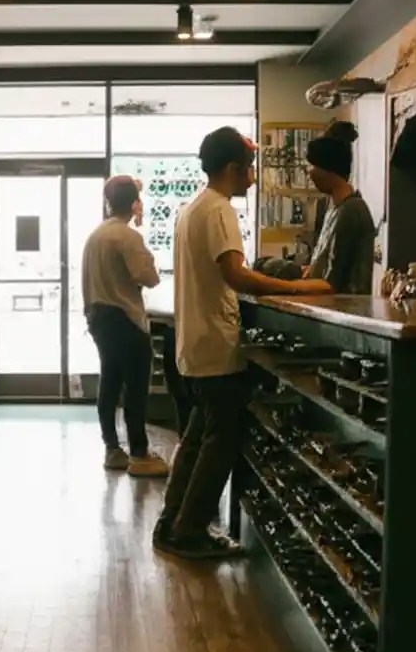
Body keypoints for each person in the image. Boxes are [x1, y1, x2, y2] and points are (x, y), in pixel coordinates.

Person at [155, 127, 332, 561]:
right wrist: (296, 288)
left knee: (197, 439)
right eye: (250, 169)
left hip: (194, 344)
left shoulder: (191, 209)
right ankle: (191, 532)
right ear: (233, 168)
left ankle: (172, 523)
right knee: (219, 443)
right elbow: (235, 274)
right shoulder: (219, 210)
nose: (253, 177)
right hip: (217, 346)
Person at [83, 176, 169, 477]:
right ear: (134, 204)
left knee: (109, 381)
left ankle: (112, 448)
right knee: (135, 387)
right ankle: (140, 454)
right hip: (124, 318)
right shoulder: (127, 236)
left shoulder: (96, 235)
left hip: (98, 316)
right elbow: (149, 277)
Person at [301, 121, 378, 294]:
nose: (309, 173)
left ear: (326, 170)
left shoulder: (352, 211)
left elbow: (332, 284)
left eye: (311, 166)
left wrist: (278, 286)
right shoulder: (335, 209)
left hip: (345, 308)